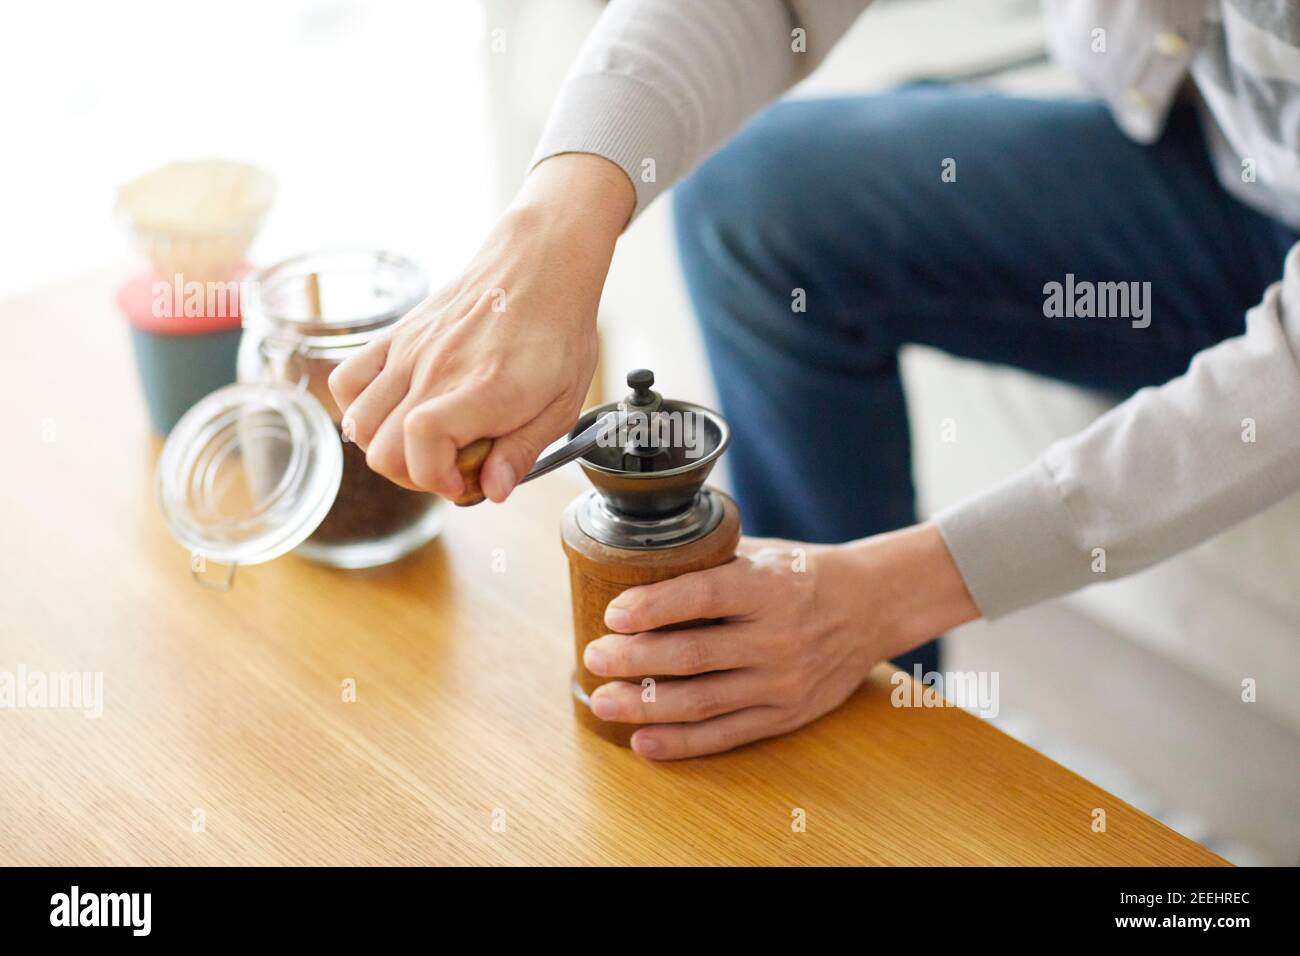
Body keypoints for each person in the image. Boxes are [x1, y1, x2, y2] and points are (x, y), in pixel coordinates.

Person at [329, 1, 1300, 760]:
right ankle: (816, 701)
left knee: (859, 620)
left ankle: (858, 698)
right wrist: (553, 223)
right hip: (1220, 156)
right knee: (750, 210)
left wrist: (893, 591)